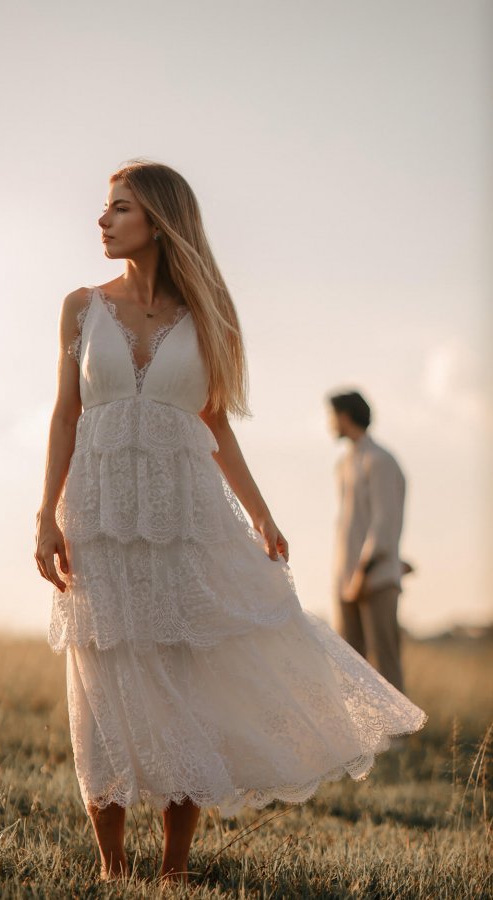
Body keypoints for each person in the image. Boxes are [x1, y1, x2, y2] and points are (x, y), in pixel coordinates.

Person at [35, 160, 427, 887]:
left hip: (186, 519)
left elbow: (215, 423)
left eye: (120, 208)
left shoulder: (208, 316)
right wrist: (45, 518)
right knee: (99, 683)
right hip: (97, 517)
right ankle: (113, 869)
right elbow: (65, 416)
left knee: (185, 681)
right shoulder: (80, 307)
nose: (103, 220)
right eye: (106, 207)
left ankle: (174, 870)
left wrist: (262, 514)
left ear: (160, 221)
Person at [326, 390, 408, 695]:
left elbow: (384, 522)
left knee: (385, 666)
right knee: (351, 667)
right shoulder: (344, 464)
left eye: (332, 416)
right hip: (345, 577)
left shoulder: (380, 460)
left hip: (374, 578)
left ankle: (401, 729)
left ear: (345, 416)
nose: (329, 423)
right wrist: (346, 577)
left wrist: (363, 572)